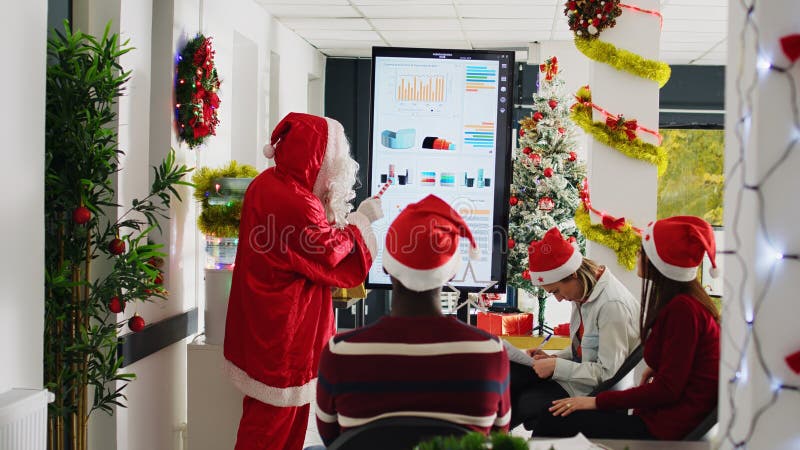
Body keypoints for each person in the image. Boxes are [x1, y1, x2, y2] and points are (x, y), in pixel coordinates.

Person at [223, 113, 383, 450]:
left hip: (267, 329)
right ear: (317, 159)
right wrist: (362, 220)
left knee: (277, 427)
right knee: (269, 434)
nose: (337, 175)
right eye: (334, 163)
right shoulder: (294, 202)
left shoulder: (269, 184)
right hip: (284, 341)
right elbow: (329, 253)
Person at [315, 194, 511, 447]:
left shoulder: (340, 353)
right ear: (451, 273)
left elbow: (332, 439)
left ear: (386, 268)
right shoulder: (489, 352)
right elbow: (497, 439)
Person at [536, 216, 721, 440]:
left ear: (659, 262)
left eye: (642, 252)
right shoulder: (683, 304)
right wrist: (657, 368)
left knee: (552, 422)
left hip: (667, 426)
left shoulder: (683, 310)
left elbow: (667, 390)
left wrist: (593, 402)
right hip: (664, 417)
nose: (636, 256)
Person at [509, 227, 640, 430]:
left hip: (593, 390)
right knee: (510, 375)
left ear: (573, 275)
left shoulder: (611, 306)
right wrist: (554, 359)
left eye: (557, 291)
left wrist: (556, 367)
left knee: (525, 402)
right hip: (578, 379)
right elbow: (582, 350)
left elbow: (608, 373)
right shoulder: (583, 293)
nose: (559, 298)